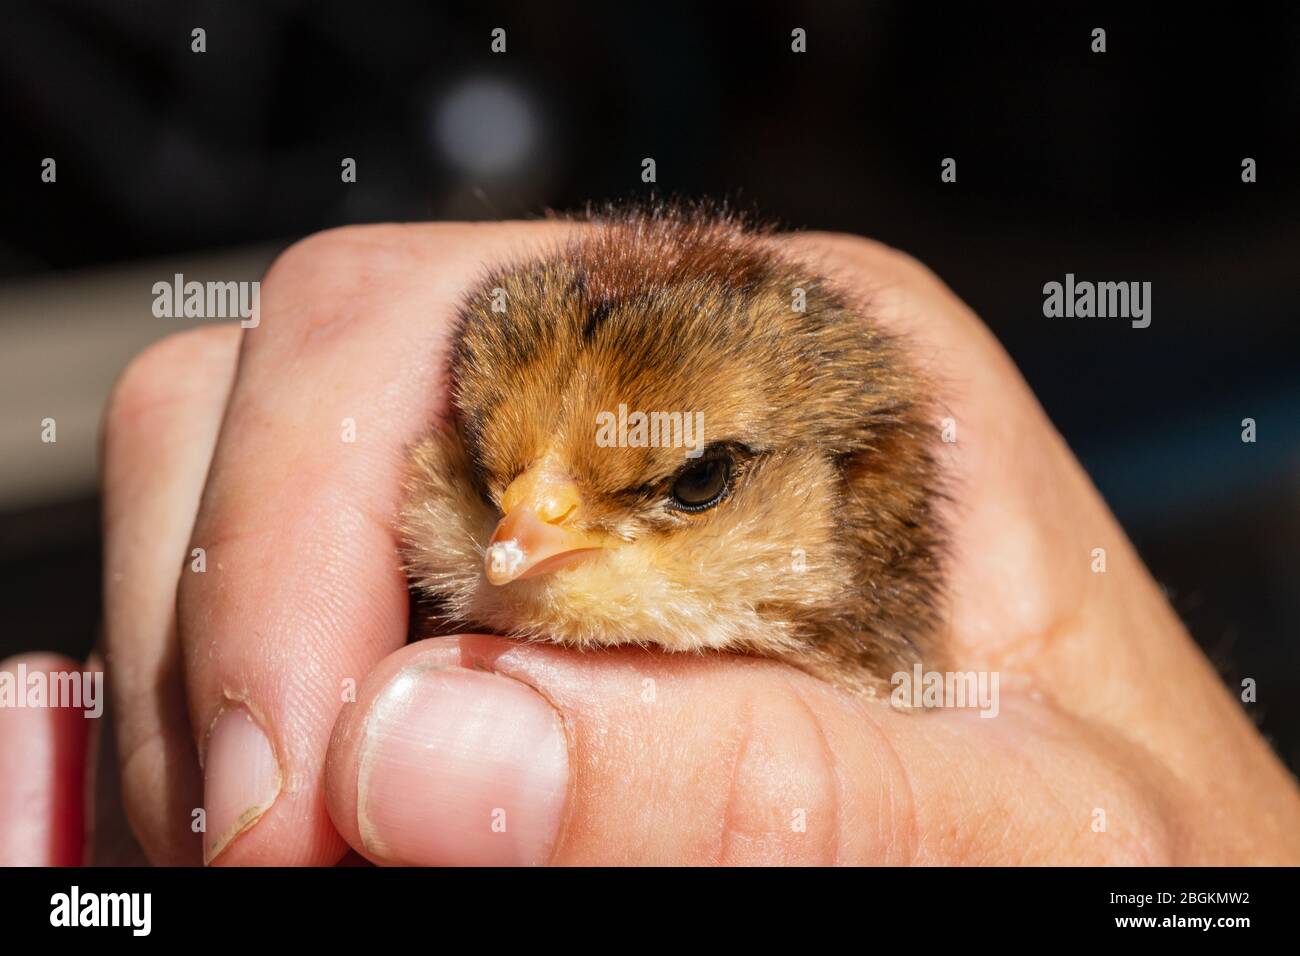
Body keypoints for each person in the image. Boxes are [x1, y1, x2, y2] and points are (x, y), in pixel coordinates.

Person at [3, 223, 1298, 866]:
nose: (525, 531)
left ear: (860, 500)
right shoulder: (384, 686)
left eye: (684, 483)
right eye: (491, 461)